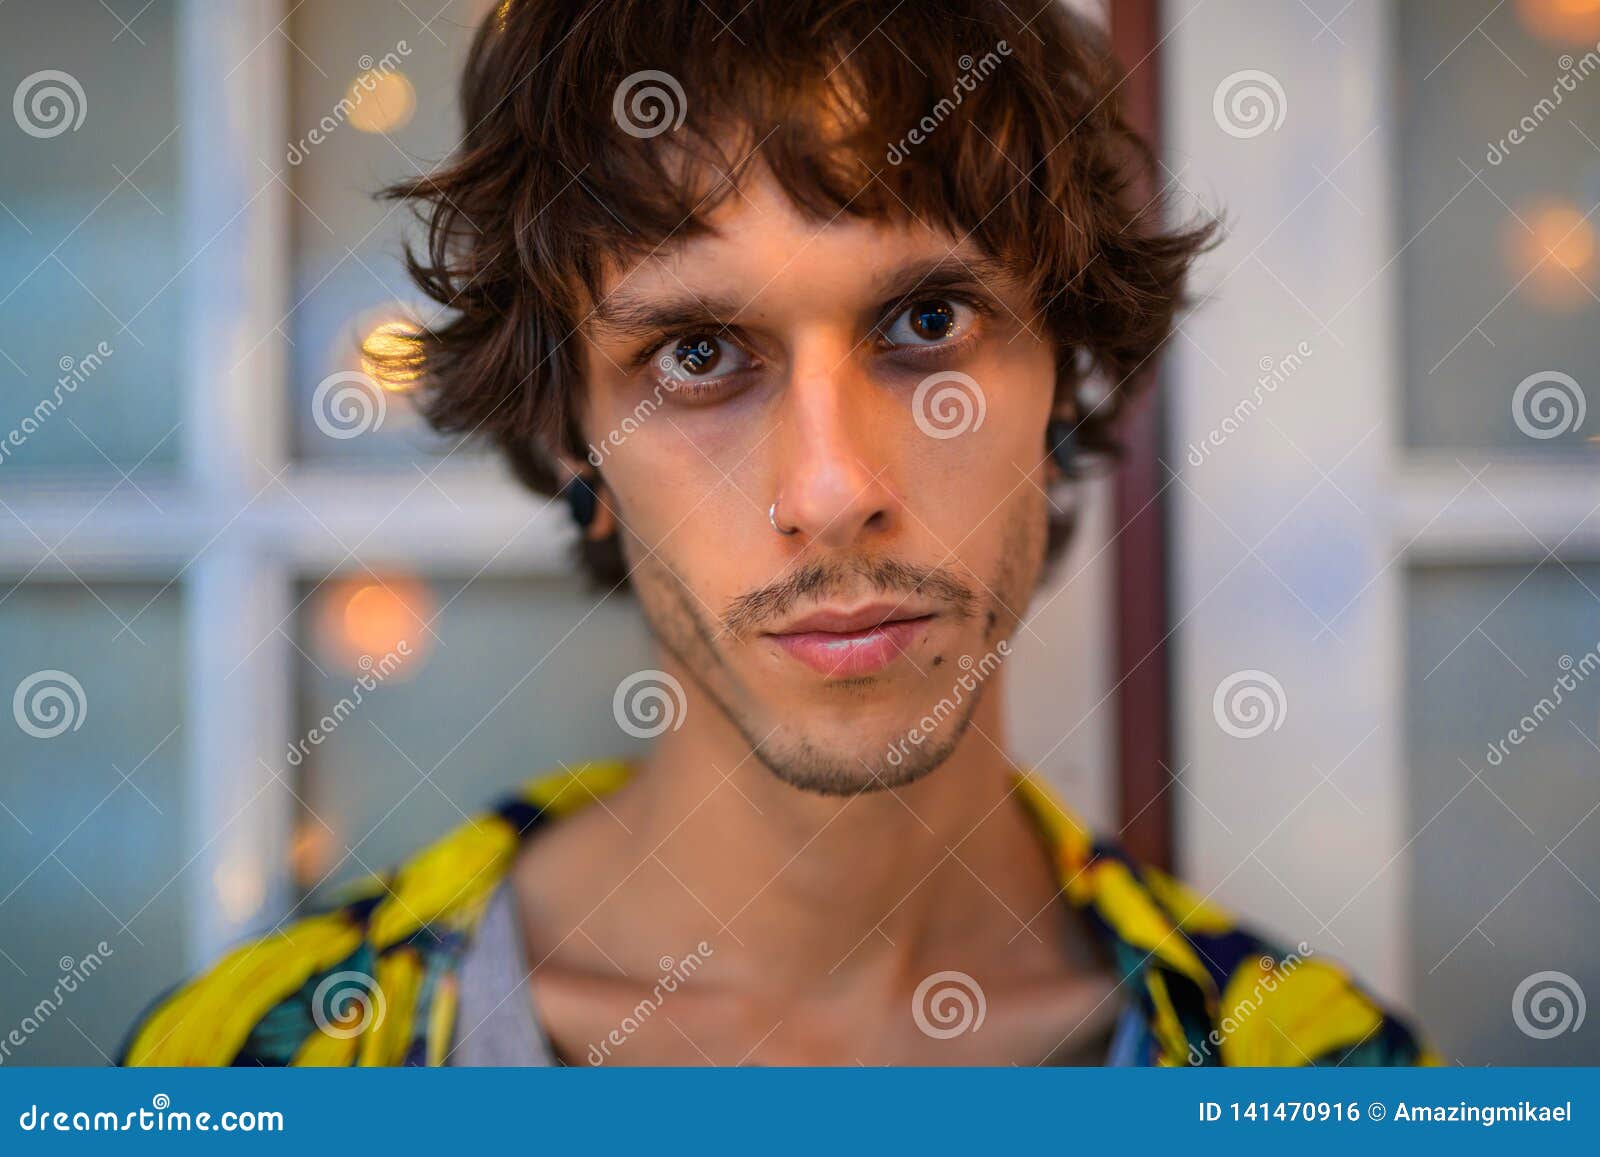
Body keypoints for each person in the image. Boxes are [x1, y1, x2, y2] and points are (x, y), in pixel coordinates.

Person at [121, 0, 1433, 1067]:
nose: (831, 484)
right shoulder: (256, 1067)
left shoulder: (1314, 1079)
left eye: (926, 324)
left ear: (1068, 363)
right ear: (575, 435)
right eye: (698, 352)